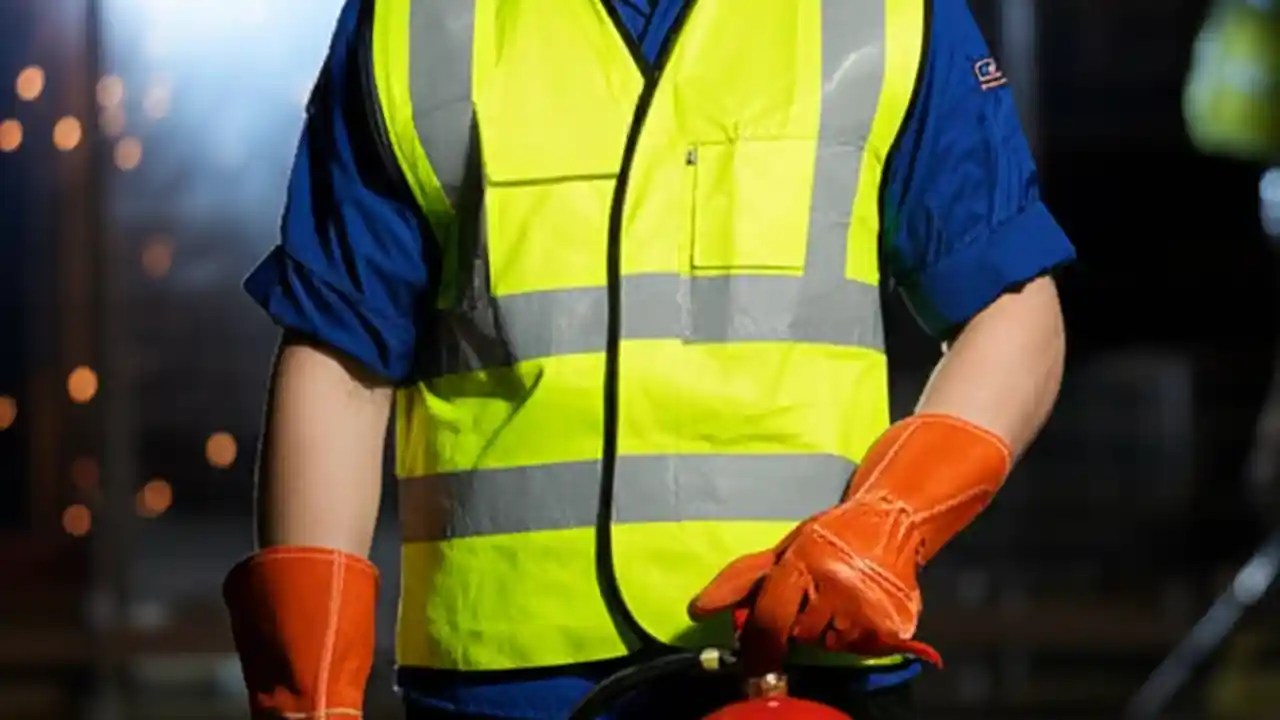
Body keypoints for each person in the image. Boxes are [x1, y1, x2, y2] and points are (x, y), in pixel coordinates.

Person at [222, 1, 1075, 718]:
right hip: (498, 687)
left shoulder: (884, 12)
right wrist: (310, 699)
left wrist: (892, 520)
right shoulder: (419, 21)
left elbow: (1013, 310)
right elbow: (338, 356)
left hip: (796, 667)